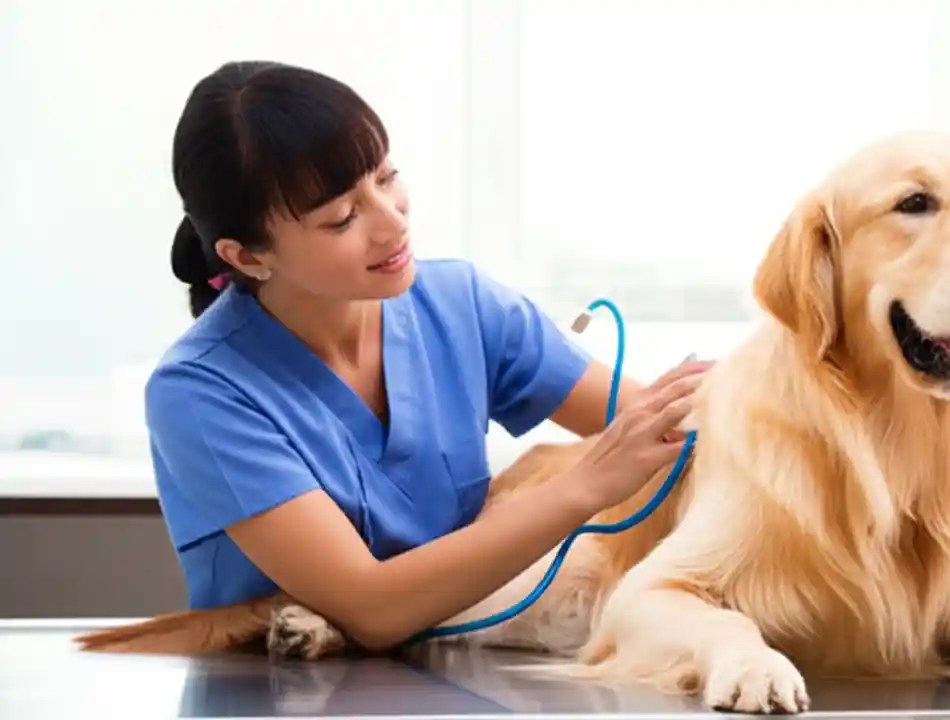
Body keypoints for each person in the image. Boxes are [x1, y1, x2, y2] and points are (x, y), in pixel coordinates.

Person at [150, 60, 711, 651]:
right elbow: (371, 607)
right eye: (342, 217)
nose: (393, 224)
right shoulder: (199, 392)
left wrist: (759, 391)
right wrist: (585, 485)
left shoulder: (460, 305)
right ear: (246, 256)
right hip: (278, 694)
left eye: (387, 178)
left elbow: (672, 433)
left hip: (451, 670)